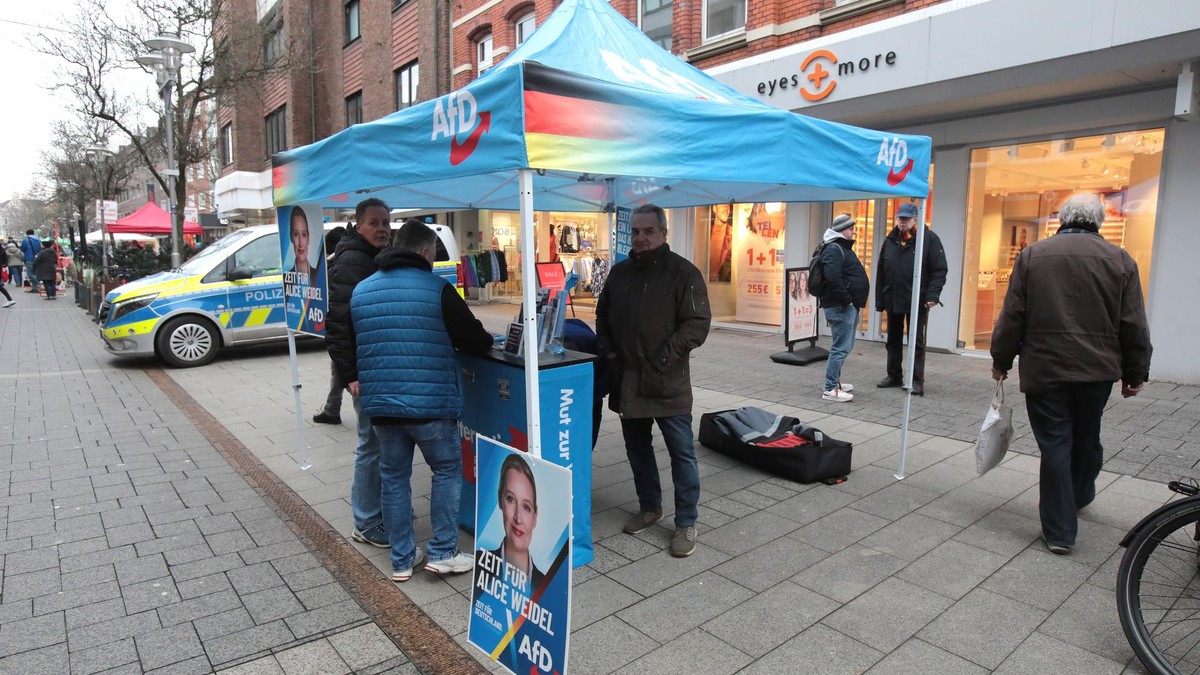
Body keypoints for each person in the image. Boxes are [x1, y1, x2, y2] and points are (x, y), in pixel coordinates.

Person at [991, 193, 1152, 556]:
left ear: (1061, 218)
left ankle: (1061, 530)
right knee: (1086, 433)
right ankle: (1078, 493)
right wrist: (1135, 371)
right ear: (1099, 221)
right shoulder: (1120, 260)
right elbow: (1133, 323)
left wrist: (1001, 358)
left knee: (1055, 444)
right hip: (1096, 371)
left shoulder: (1033, 256)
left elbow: (1013, 314)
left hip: (1045, 367)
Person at [350, 219, 493, 581]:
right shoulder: (437, 289)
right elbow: (475, 340)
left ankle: (401, 559)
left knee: (393, 476)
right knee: (446, 470)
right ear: (426, 252)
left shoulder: (362, 291)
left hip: (380, 406)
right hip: (431, 404)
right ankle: (443, 551)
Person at [596, 203, 711, 558]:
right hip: (629, 382)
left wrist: (664, 358)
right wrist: (611, 354)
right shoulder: (620, 273)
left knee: (682, 453)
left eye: (649, 231)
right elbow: (603, 316)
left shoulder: (684, 273)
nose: (641, 238)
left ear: (663, 233)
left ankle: (686, 522)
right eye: (636, 232)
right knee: (638, 450)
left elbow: (697, 324)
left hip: (668, 383)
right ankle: (650, 507)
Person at [326, 199, 394, 549]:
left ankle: (380, 511)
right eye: (374, 223)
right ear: (358, 225)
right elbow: (337, 325)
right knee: (371, 444)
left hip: (378, 365)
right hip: (365, 372)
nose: (382, 228)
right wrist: (351, 374)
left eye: (386, 222)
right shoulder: (354, 261)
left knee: (381, 443)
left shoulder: (373, 257)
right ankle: (366, 523)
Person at [874, 202, 948, 396]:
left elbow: (939, 270)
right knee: (893, 339)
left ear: (916, 219)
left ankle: (916, 380)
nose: (902, 222)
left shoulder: (929, 239)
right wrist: (880, 299)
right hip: (893, 297)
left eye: (906, 219)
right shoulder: (891, 240)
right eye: (900, 218)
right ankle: (894, 375)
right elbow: (881, 269)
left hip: (917, 300)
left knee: (916, 342)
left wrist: (932, 295)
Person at [817, 214, 869, 402]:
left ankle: (835, 382)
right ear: (841, 230)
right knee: (840, 347)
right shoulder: (834, 248)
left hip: (847, 305)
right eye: (850, 228)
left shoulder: (839, 247)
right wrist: (847, 300)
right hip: (841, 306)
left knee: (845, 346)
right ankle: (830, 389)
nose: (853, 231)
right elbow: (832, 277)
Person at [493, 453, 544, 591]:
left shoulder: (547, 588)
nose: (518, 518)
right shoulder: (482, 565)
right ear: (500, 500)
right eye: (510, 499)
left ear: (535, 517)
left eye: (526, 507)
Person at [314, 226, 349, 425]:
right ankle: (332, 408)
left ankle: (332, 409)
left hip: (342, 327)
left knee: (342, 367)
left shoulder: (335, 266)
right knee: (339, 367)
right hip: (343, 327)